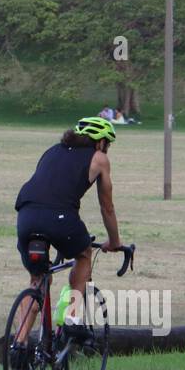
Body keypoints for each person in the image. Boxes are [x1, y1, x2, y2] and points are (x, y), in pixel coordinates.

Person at [11, 116, 125, 355]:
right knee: (84, 254)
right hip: (60, 217)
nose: (108, 149)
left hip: (26, 215)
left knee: (38, 281)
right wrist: (115, 242)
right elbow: (107, 207)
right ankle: (72, 318)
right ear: (100, 142)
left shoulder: (52, 150)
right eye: (108, 143)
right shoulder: (99, 159)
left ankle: (19, 346)